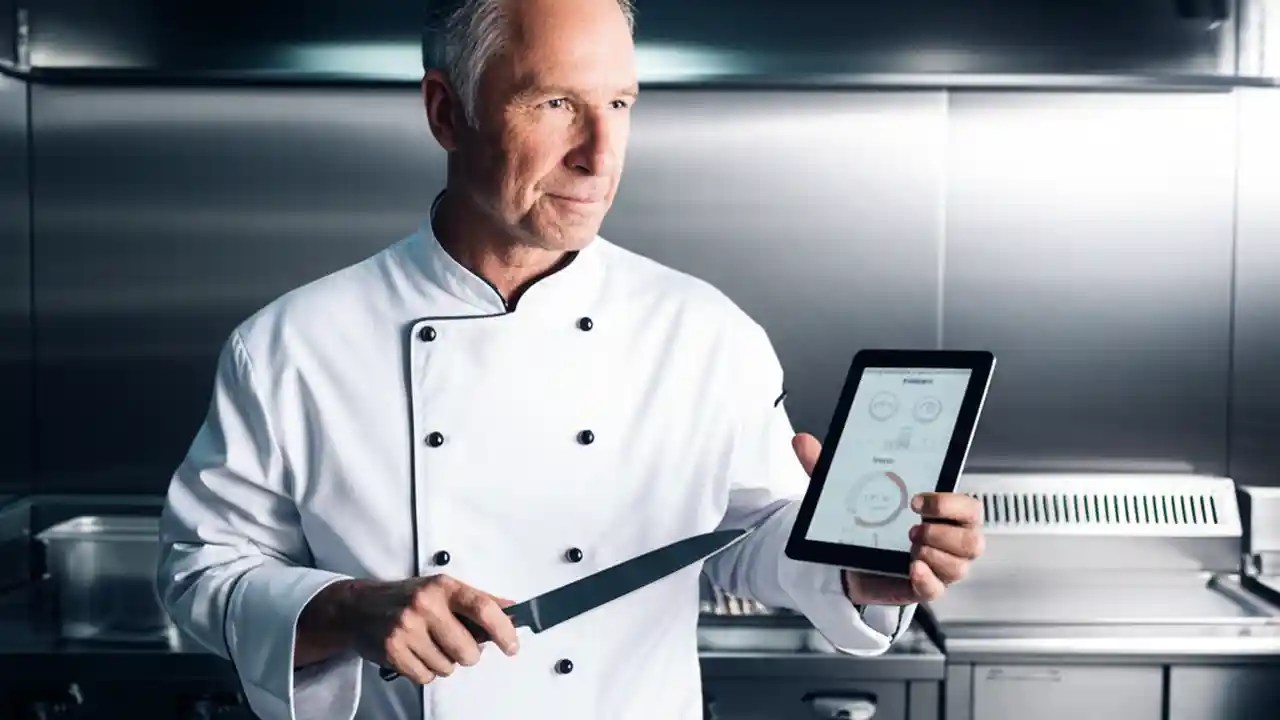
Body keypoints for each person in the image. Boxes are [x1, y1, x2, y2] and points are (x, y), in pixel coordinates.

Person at [155, 0, 986, 717]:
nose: (599, 153)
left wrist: (849, 572)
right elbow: (201, 575)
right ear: (447, 113)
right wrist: (347, 609)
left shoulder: (703, 332)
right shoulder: (291, 346)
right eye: (554, 102)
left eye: (618, 103)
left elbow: (738, 542)